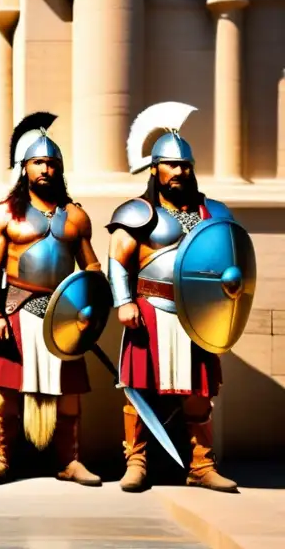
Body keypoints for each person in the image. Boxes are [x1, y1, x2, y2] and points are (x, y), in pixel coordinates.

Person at [107, 103, 238, 492]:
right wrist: (123, 301)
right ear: (154, 169)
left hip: (196, 315)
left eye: (184, 165)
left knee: (198, 393)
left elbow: (231, 261)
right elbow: (118, 260)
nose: (179, 171)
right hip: (149, 308)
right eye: (170, 164)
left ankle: (201, 465)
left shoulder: (213, 212)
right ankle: (136, 462)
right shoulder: (138, 211)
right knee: (139, 390)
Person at [0, 113, 102, 486]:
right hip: (16, 309)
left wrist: (94, 304)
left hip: (63, 316)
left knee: (68, 394)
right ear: (25, 168)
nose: (45, 169)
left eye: (51, 163)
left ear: (59, 168)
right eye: (38, 162)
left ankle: (71, 461)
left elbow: (91, 265)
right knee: (7, 395)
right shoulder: (4, 213)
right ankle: (2, 460)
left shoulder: (76, 216)